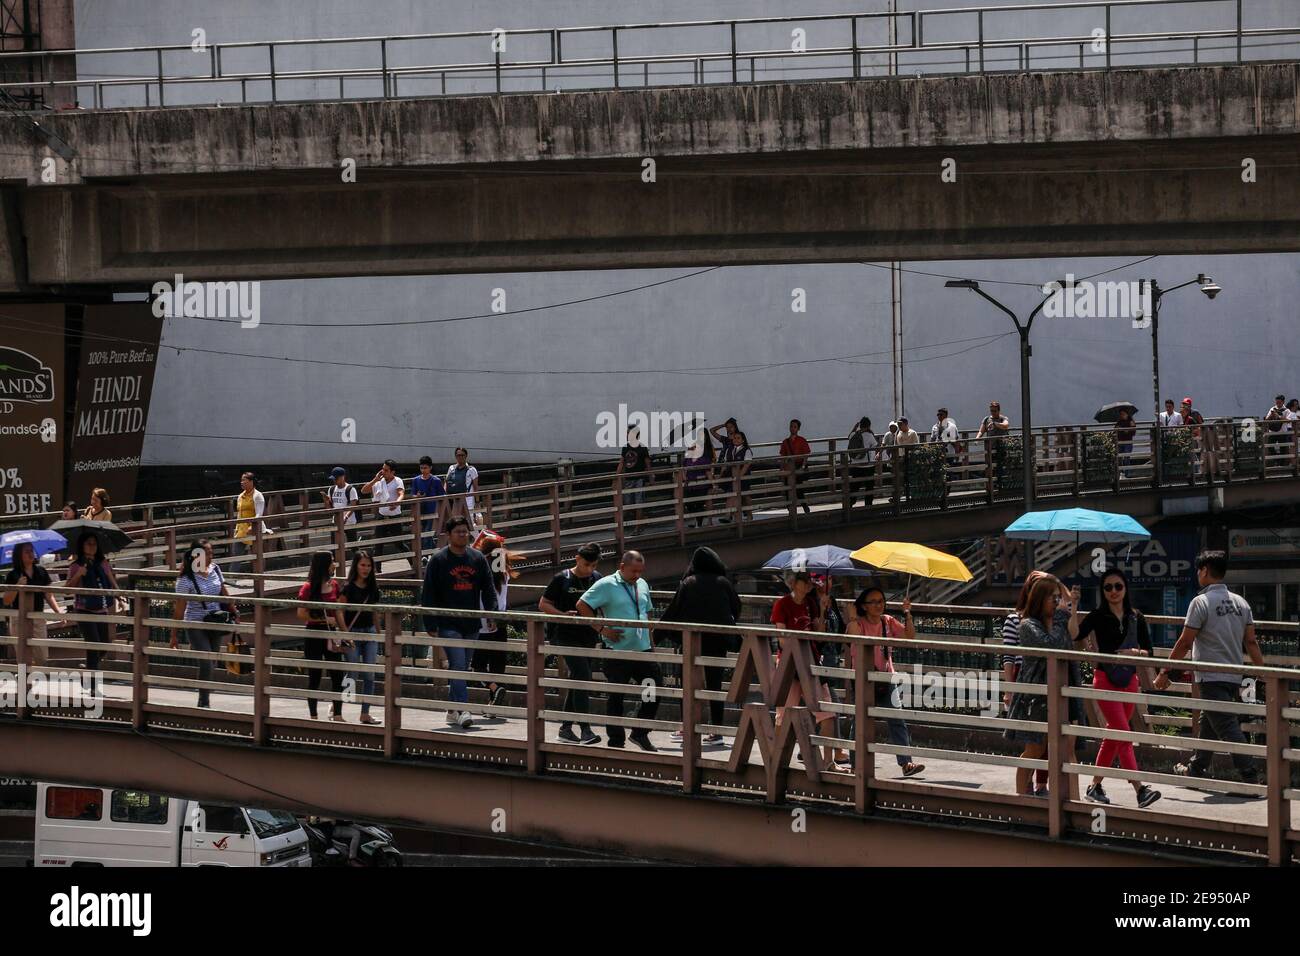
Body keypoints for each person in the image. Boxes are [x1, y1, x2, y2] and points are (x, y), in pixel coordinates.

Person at [1154, 551, 1265, 787]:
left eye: (1198, 570)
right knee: (1210, 722)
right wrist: (1263, 671)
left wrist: (1165, 672)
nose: (1197, 574)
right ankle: (1196, 769)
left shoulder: (1201, 602)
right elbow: (1251, 642)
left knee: (1225, 726)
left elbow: (1185, 642)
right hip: (1234, 676)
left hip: (1210, 676)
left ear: (1204, 570)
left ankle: (1250, 777)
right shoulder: (1241, 603)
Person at [1077, 569, 1162, 808]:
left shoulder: (1137, 616)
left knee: (1113, 737)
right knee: (1123, 734)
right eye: (1108, 587)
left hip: (1129, 681)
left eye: (1118, 586)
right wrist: (1072, 607)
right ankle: (1139, 789)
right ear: (1102, 591)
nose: (1113, 591)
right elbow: (1076, 634)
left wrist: (1134, 653)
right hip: (1104, 680)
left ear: (1125, 588)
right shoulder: (1097, 615)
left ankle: (1094, 786)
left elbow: (1149, 652)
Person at [1004, 576, 1084, 797]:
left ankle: (1074, 802)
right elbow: (1051, 646)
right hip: (1037, 696)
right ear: (1040, 599)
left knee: (1068, 749)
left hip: (1065, 692)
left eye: (1058, 598)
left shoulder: (1060, 621)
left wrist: (1072, 606)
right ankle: (1022, 798)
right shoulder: (1028, 625)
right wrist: (1060, 616)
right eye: (1053, 598)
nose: (1057, 602)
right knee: (1035, 749)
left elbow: (1074, 641)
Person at [576, 550, 659, 752]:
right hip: (617, 651)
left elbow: (647, 611)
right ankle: (616, 740)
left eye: (640, 571)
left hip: (642, 649)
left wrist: (651, 641)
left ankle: (639, 732)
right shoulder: (606, 584)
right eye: (633, 571)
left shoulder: (642, 584)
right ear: (622, 567)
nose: (637, 575)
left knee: (652, 688)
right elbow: (582, 605)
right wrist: (602, 629)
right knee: (616, 696)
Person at [659, 547, 741, 747]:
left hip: (691, 640)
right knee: (715, 684)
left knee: (687, 684)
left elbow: (674, 610)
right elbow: (736, 608)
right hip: (718, 640)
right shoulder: (724, 583)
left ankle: (687, 726)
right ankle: (717, 731)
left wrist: (657, 634)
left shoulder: (688, 582)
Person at [420, 516, 496, 730]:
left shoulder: (477, 558)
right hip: (448, 622)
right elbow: (429, 593)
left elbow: (488, 588)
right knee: (459, 665)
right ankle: (462, 710)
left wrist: (490, 614)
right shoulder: (439, 560)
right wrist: (430, 622)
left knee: (461, 666)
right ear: (449, 534)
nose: (463, 535)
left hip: (471, 622)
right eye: (458, 532)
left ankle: (453, 711)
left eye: (465, 531)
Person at [770, 571, 844, 772]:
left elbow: (819, 637)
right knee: (783, 716)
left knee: (827, 713)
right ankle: (776, 758)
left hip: (810, 664)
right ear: (794, 583)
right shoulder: (783, 604)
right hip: (789, 665)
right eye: (805, 581)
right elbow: (782, 639)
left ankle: (829, 762)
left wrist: (822, 611)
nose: (810, 584)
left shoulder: (811, 604)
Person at [847, 587, 924, 778]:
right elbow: (853, 640)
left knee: (897, 719)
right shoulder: (858, 624)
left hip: (886, 676)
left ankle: (906, 763)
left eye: (881, 601)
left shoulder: (887, 621)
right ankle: (856, 765)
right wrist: (853, 618)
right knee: (860, 723)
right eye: (873, 602)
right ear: (864, 606)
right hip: (864, 680)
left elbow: (909, 636)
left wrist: (907, 613)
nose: (878, 605)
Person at [540, 543, 604, 745]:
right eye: (586, 565)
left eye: (593, 565)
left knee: (577, 677)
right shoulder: (562, 578)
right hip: (564, 634)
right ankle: (585, 730)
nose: (590, 569)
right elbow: (543, 604)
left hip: (588, 635)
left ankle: (565, 729)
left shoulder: (597, 578)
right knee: (582, 676)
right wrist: (562, 615)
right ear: (577, 559)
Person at [170, 539, 239, 709]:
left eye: (210, 552)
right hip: (196, 622)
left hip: (215, 620)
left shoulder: (215, 569)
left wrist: (233, 610)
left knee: (213, 661)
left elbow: (223, 592)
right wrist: (174, 635)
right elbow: (179, 610)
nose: (210, 556)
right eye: (206, 553)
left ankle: (204, 691)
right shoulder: (186, 580)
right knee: (206, 662)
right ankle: (204, 702)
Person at [1000, 570, 1050, 795]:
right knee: (1034, 743)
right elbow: (1009, 656)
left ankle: (1039, 784)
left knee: (1049, 741)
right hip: (1026, 680)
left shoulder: (1048, 619)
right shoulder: (1015, 619)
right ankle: (1024, 790)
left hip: (1049, 678)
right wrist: (1009, 690)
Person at [296, 551, 349, 721]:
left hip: (332, 634)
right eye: (332, 561)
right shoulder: (308, 587)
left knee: (337, 675)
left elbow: (339, 612)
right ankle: (313, 715)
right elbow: (302, 614)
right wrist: (322, 618)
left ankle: (338, 714)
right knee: (315, 675)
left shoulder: (334, 585)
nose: (335, 564)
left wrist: (346, 634)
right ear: (324, 564)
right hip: (314, 633)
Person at [65, 531, 120, 672]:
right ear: (82, 546)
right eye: (88, 543)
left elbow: (111, 579)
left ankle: (88, 671)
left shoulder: (102, 562)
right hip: (84, 609)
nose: (92, 546)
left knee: (103, 645)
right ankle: (92, 681)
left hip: (101, 608)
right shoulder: (76, 566)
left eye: (94, 544)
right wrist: (79, 574)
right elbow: (67, 590)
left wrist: (119, 594)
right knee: (94, 644)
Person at [338, 550, 382, 725]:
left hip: (369, 631)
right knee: (353, 672)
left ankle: (365, 713)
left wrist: (379, 633)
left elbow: (374, 611)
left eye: (369, 565)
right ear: (356, 566)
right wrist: (345, 633)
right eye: (363, 565)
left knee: (370, 673)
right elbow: (339, 611)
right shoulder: (348, 588)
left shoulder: (373, 588)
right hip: (353, 631)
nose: (366, 569)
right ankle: (338, 706)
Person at [3, 541, 62, 666]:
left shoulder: (41, 571)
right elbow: (7, 600)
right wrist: (18, 586)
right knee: (22, 657)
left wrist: (58, 613)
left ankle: (37, 677)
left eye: (32, 550)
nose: (31, 553)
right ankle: (25, 683)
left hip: (38, 617)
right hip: (19, 618)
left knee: (42, 656)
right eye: (27, 551)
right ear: (19, 555)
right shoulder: (13, 575)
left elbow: (49, 595)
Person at [474, 534, 513, 708]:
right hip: (501, 619)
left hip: (484, 620)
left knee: (478, 666)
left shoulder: (481, 572)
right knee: (498, 664)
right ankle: (494, 704)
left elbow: (470, 556)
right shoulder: (504, 573)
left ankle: (494, 688)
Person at [361, 460, 405, 561]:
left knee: (399, 543)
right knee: (378, 544)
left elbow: (401, 494)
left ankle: (413, 562)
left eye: (386, 470)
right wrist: (375, 479)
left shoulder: (397, 480)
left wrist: (396, 503)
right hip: (382, 515)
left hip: (394, 516)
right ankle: (378, 570)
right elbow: (363, 491)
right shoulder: (379, 482)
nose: (383, 472)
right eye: (383, 469)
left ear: (392, 472)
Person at [231, 472, 270, 575]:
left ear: (251, 482)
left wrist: (252, 527)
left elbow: (259, 514)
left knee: (257, 555)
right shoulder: (240, 496)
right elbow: (239, 514)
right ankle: (232, 578)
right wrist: (237, 528)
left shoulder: (258, 496)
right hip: (242, 530)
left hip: (254, 530)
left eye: (244, 480)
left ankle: (261, 576)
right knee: (236, 554)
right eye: (241, 480)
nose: (242, 482)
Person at [409, 455, 447, 551]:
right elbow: (412, 495)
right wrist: (417, 496)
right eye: (421, 468)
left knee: (427, 533)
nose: (423, 470)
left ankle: (426, 555)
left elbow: (442, 496)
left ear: (430, 468)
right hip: (420, 511)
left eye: (425, 468)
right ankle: (433, 551)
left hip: (432, 511)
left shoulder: (436, 481)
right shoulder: (416, 480)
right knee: (423, 534)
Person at [717, 429, 754, 522]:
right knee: (730, 494)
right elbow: (725, 464)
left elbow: (746, 465)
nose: (736, 440)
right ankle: (728, 515)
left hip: (743, 477)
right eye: (734, 438)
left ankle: (750, 515)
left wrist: (739, 476)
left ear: (743, 440)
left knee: (746, 496)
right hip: (731, 477)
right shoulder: (729, 450)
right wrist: (721, 476)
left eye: (738, 438)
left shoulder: (747, 450)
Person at [682, 428, 715, 527]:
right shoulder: (689, 456)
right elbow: (683, 468)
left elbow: (710, 468)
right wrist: (684, 478)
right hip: (691, 482)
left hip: (702, 481)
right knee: (690, 502)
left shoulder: (707, 451)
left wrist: (712, 483)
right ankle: (698, 521)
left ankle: (707, 521)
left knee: (702, 502)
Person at [779, 419, 812, 515]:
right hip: (788, 467)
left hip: (797, 466)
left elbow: (806, 455)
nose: (792, 428)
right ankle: (791, 509)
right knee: (788, 489)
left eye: (794, 427)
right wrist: (782, 469)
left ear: (798, 429)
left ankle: (804, 505)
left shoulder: (801, 440)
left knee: (798, 489)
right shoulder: (785, 442)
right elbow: (782, 456)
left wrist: (803, 466)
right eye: (791, 426)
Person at [321, 467, 360, 545]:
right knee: (334, 545)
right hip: (335, 521)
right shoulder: (331, 489)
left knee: (353, 545)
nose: (334, 481)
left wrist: (346, 517)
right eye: (333, 479)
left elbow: (353, 506)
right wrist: (326, 500)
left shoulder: (350, 489)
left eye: (336, 479)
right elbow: (329, 509)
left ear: (342, 477)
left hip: (349, 522)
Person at [616, 426, 652, 512]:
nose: (627, 435)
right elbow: (622, 463)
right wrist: (616, 477)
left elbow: (648, 464)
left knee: (638, 501)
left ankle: (638, 524)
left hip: (639, 478)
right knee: (628, 502)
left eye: (628, 433)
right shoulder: (625, 448)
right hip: (628, 479)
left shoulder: (642, 448)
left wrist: (651, 477)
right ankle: (634, 521)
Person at [847, 417, 879, 506]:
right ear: (869, 426)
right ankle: (868, 505)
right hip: (868, 466)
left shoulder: (854, 435)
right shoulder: (869, 435)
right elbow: (876, 445)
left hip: (855, 465)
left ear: (860, 425)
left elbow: (849, 437)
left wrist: (854, 428)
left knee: (854, 487)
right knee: (869, 486)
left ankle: (850, 503)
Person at [444, 448, 479, 527]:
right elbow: (446, 482)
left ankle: (477, 538)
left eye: (462, 455)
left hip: (468, 500)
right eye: (458, 455)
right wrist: (445, 496)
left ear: (466, 456)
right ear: (455, 456)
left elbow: (476, 487)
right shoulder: (451, 468)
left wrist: (477, 502)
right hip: (455, 500)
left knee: (470, 521)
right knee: (456, 521)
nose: (460, 457)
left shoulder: (472, 469)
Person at [1113, 407, 1137, 478]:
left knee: (1126, 458)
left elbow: (1133, 432)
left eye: (1123, 414)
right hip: (1120, 442)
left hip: (1127, 442)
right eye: (1121, 414)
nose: (1122, 415)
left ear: (1127, 414)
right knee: (1119, 458)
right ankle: (1120, 473)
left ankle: (1127, 474)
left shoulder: (1131, 421)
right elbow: (1114, 430)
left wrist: (1127, 431)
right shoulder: (1119, 422)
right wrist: (1117, 429)